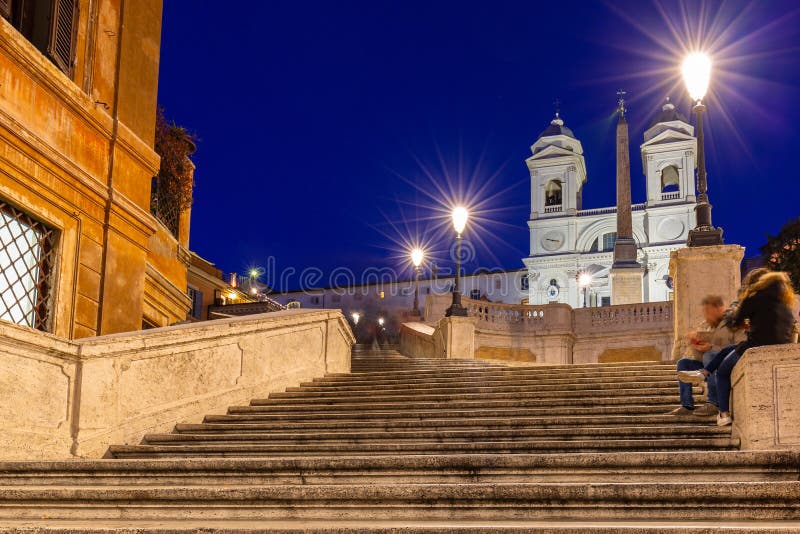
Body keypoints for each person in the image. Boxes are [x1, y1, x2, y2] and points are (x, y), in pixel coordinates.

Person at [679, 271, 796, 426]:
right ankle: (703, 373)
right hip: (781, 346)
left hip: (757, 346)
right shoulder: (785, 303)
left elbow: (735, 321)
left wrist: (737, 316)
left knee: (721, 371)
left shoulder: (754, 297)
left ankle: (723, 413)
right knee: (721, 353)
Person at [667, 295, 742, 417]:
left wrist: (711, 348)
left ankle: (713, 402)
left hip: (723, 365)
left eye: (708, 312)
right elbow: (701, 353)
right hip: (707, 365)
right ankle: (687, 405)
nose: (706, 316)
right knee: (683, 363)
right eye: (704, 312)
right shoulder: (707, 325)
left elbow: (738, 346)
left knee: (709, 355)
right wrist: (696, 345)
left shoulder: (731, 322)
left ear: (719, 309)